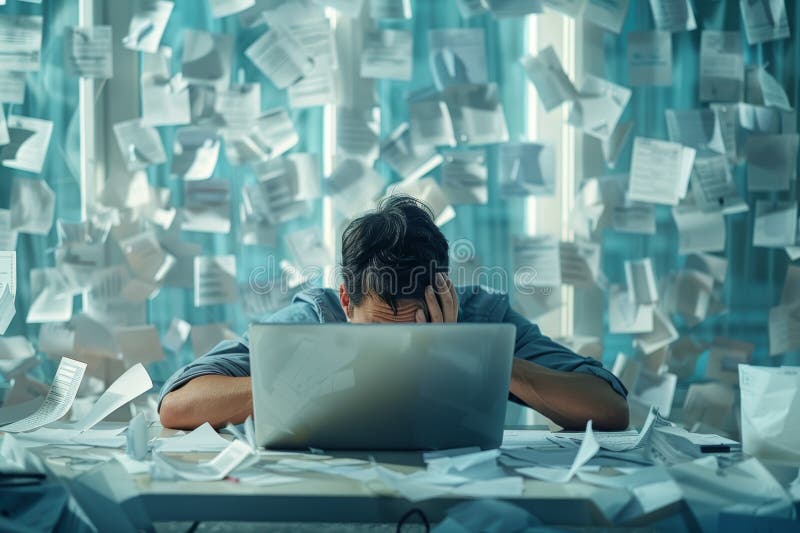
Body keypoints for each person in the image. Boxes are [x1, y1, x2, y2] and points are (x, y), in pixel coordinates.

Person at [159, 196, 629, 431]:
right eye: (379, 335)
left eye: (417, 333)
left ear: (445, 294)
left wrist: (475, 351)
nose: (398, 354)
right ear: (347, 301)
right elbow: (178, 405)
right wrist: (300, 378)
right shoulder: (319, 318)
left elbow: (609, 409)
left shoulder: (479, 315)